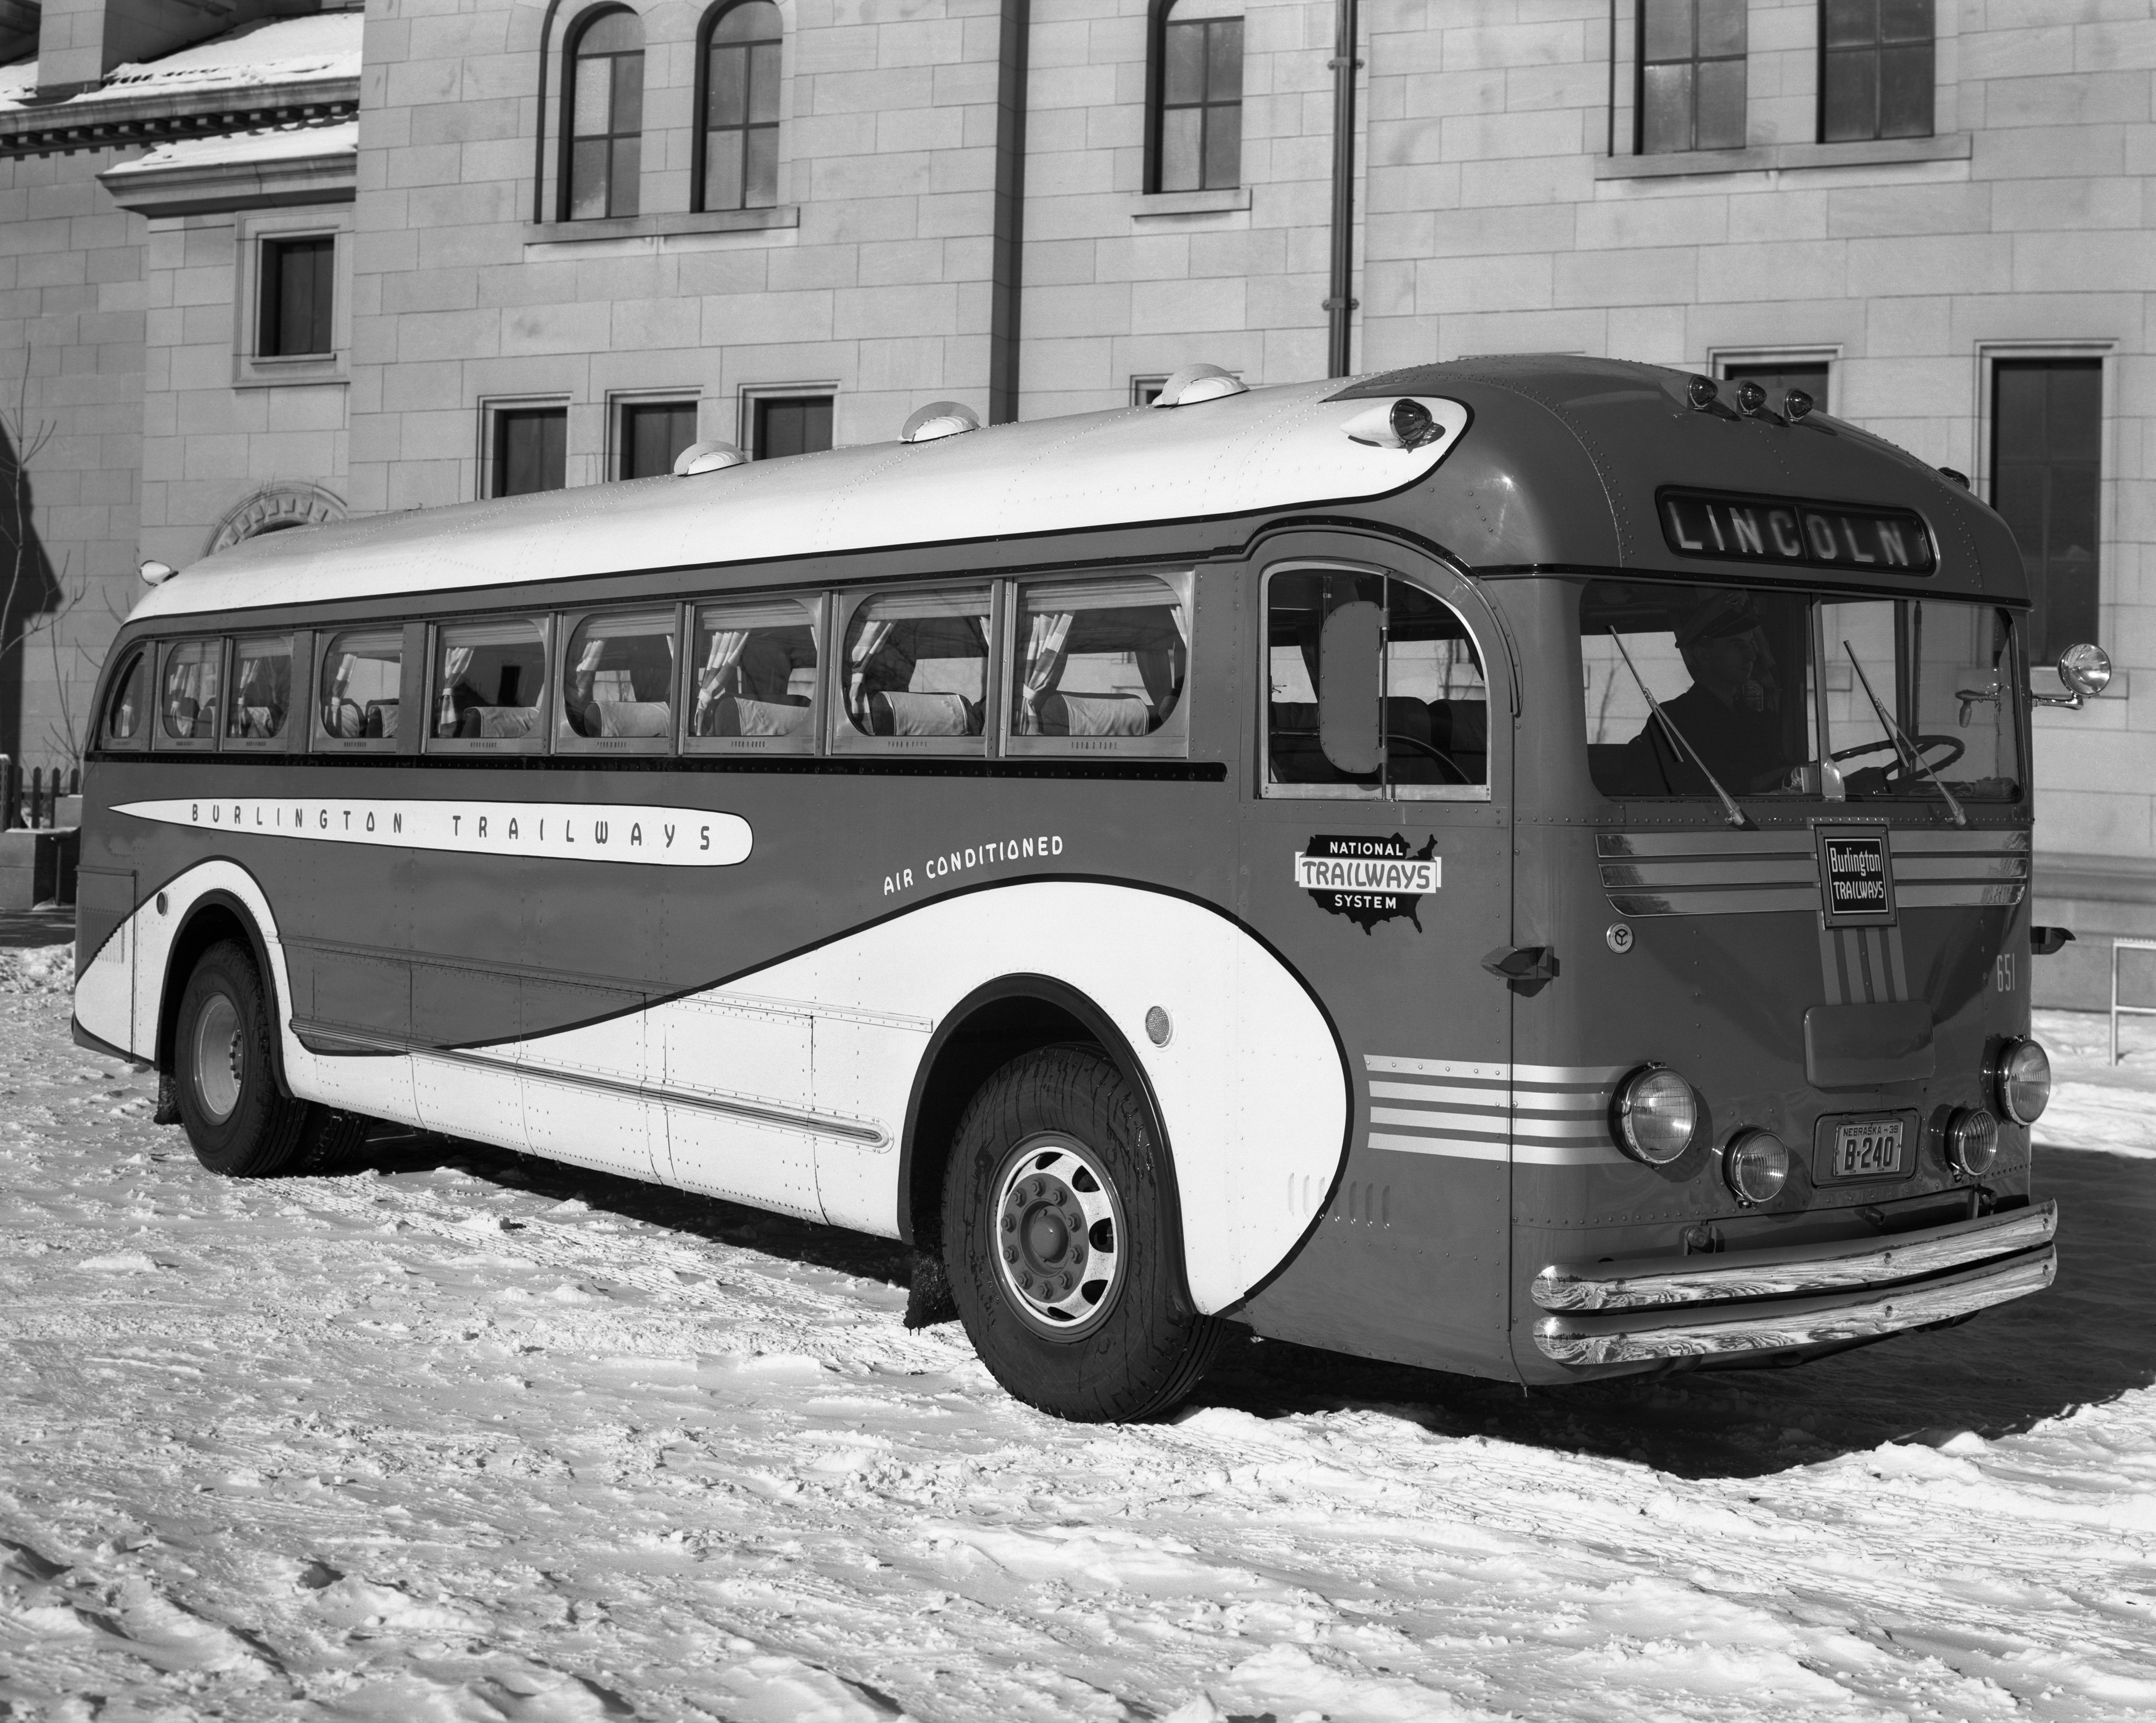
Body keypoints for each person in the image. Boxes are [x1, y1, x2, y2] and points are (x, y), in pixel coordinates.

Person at [1624, 592, 1794, 794]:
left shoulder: (1753, 718)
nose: (1751, 656)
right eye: (1737, 645)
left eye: (1750, 645)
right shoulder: (1674, 720)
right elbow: (1684, 793)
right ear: (1703, 655)